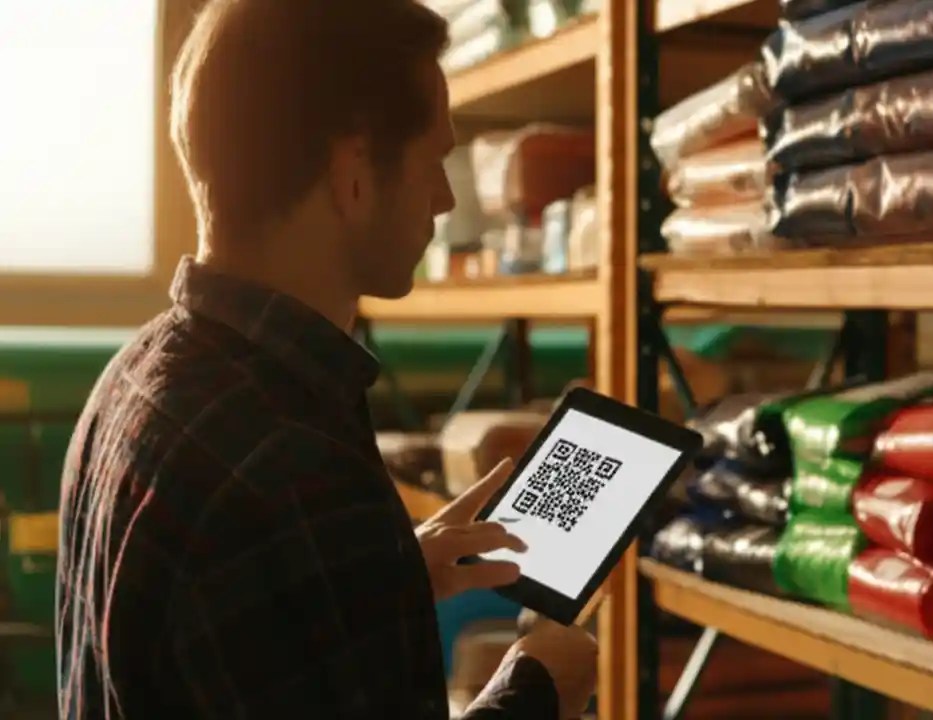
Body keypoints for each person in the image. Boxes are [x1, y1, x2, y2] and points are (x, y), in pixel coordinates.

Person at [55, 0, 597, 717]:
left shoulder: (134, 376)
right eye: (434, 160)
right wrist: (539, 687)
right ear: (353, 174)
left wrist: (385, 580)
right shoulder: (295, 465)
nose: (443, 200)